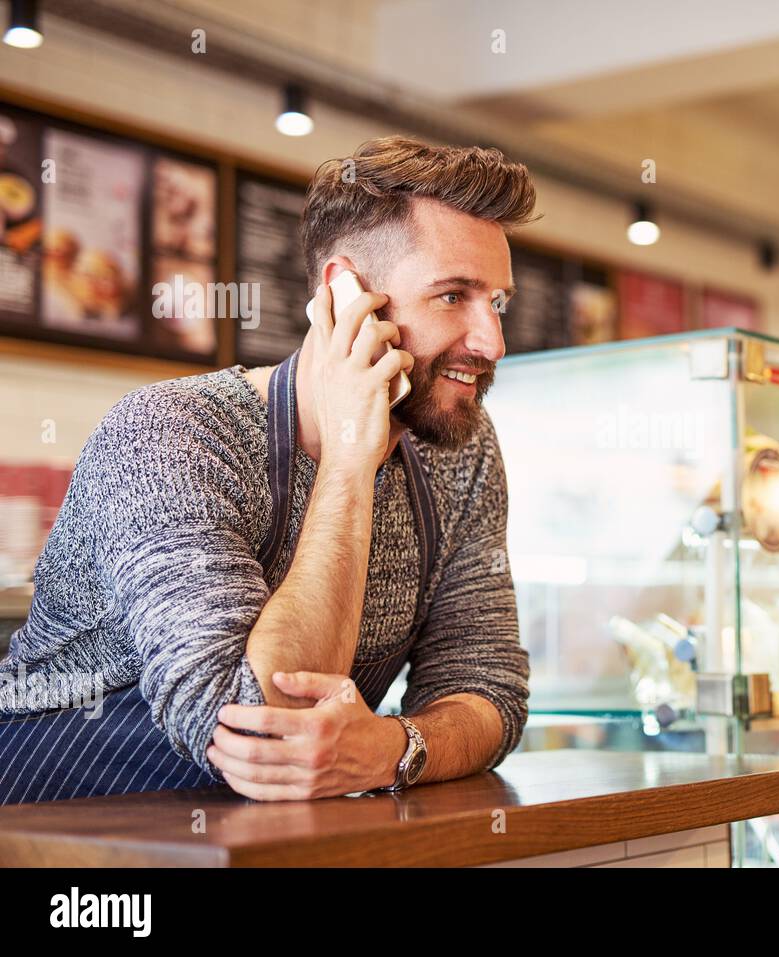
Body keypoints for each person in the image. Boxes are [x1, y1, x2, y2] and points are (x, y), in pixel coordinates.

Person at [0, 136, 534, 804]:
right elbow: (258, 725)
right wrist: (348, 459)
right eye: (454, 296)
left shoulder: (462, 450)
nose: (493, 341)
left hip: (267, 831)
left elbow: (488, 686)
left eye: (498, 302)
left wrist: (396, 749)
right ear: (347, 294)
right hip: (62, 830)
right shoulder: (170, 433)